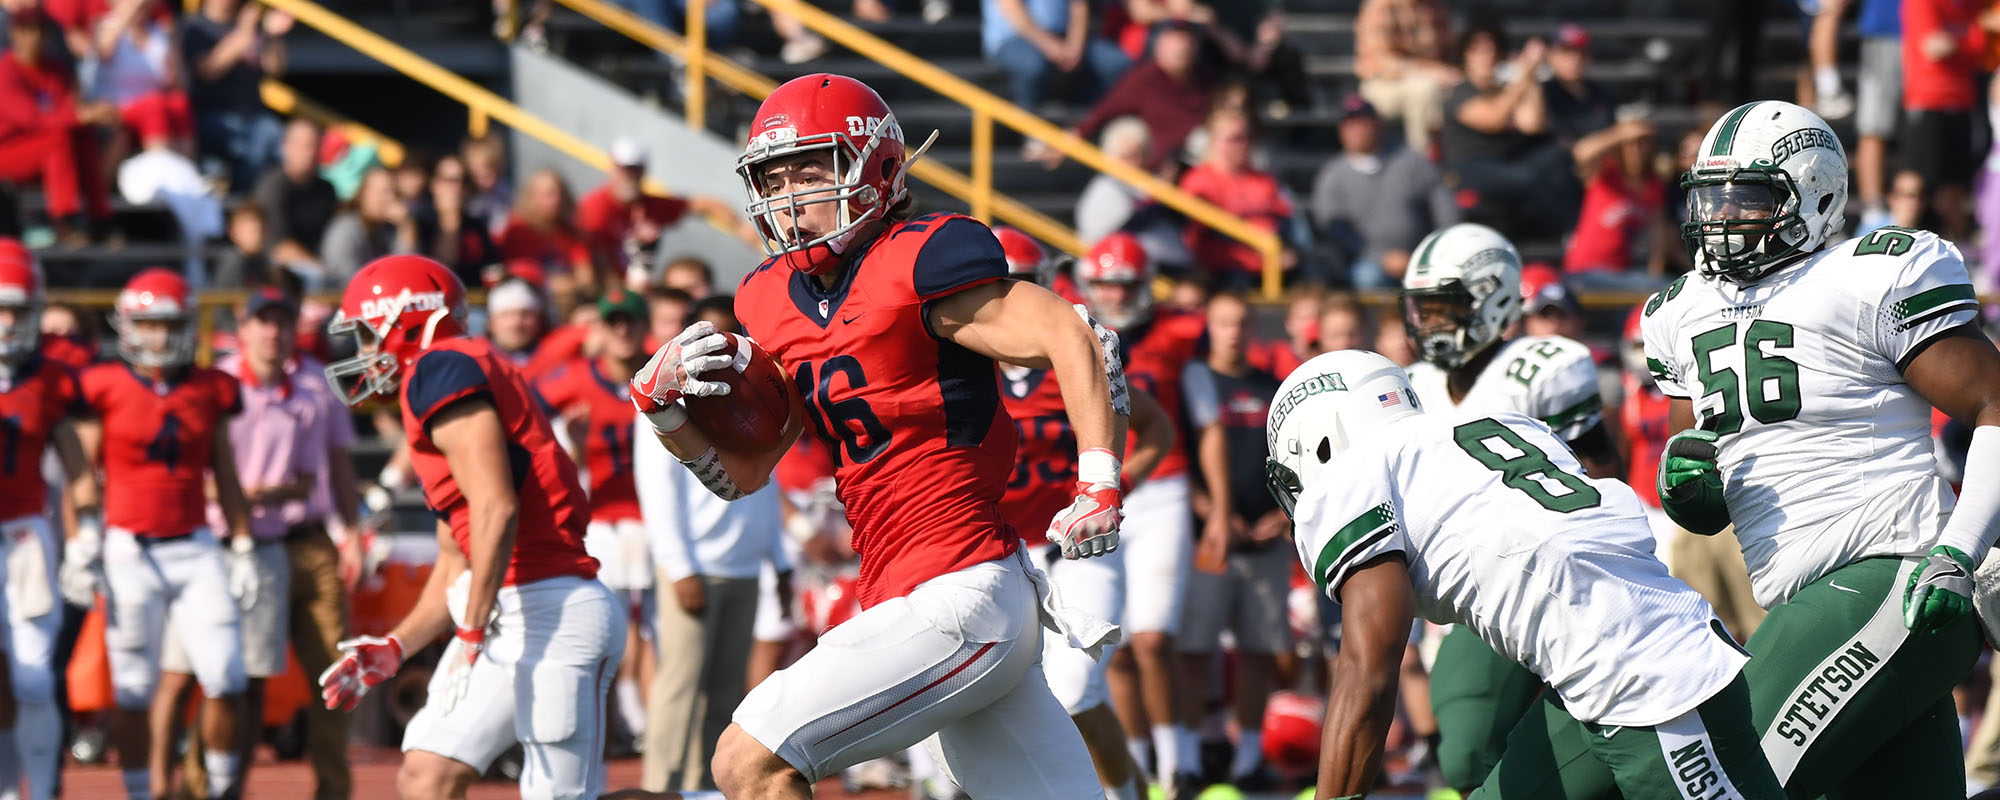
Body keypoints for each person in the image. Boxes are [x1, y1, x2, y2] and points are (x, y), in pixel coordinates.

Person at [632, 73, 1128, 800]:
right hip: (926, 592)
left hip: (959, 588)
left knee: (746, 761)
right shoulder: (767, 299)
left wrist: (1098, 481)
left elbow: (1068, 331)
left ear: (879, 170)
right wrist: (666, 416)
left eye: (811, 171)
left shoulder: (921, 255)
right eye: (776, 178)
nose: (792, 196)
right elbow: (740, 474)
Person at [1645, 99, 2000, 797]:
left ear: (1815, 193)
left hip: (1894, 575)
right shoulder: (1677, 313)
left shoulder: (1868, 274)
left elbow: (1996, 405)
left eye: (1746, 199)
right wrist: (1684, 489)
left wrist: (1959, 550)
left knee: (1725, 780)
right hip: (1798, 595)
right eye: (1710, 199)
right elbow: (1705, 506)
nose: (1720, 219)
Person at [1266, 350, 1786, 799]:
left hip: (1650, 688)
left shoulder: (1350, 478)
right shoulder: (1508, 423)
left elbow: (1367, 668)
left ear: (1318, 442)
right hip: (1617, 663)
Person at [315, 254, 621, 800]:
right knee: (425, 777)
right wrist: (396, 645)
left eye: (367, 335)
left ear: (403, 320)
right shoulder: (441, 375)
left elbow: (496, 507)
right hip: (511, 610)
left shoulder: (441, 367)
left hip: (553, 612)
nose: (363, 354)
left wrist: (471, 629)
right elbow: (457, 559)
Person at [1398, 222, 1616, 794]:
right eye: (1423, 310)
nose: (1430, 323)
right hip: (1462, 589)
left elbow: (1602, 470)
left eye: (1444, 308)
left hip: (1548, 571)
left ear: (1493, 298)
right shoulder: (1411, 383)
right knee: (1468, 753)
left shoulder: (1543, 365)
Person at [161, 285, 361, 800]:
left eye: (283, 322)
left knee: (337, 678)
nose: (273, 333)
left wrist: (352, 533)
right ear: (243, 327)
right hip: (234, 544)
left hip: (307, 540)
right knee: (230, 679)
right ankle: (199, 789)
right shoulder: (218, 383)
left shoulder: (317, 385)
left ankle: (332, 792)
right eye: (263, 322)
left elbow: (338, 464)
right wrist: (235, 495)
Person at [62, 268, 254, 800]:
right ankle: (141, 794)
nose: (160, 337)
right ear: (127, 325)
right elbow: (81, 473)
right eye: (147, 324)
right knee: (133, 691)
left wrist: (241, 543)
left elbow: (226, 472)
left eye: (169, 325)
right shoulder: (103, 386)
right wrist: (80, 542)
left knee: (227, 678)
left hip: (195, 545)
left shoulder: (212, 388)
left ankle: (218, 790)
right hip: (128, 548)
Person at [995, 230, 1173, 800]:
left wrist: (1114, 487)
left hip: (1075, 548)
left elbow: (1157, 429)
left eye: (1026, 282)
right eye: (1002, 284)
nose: (1014, 297)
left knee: (1071, 690)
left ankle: (1121, 791)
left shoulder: (1073, 357)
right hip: (993, 553)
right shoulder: (958, 366)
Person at [629, 295, 786, 794]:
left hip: (742, 568)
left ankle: (702, 789)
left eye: (724, 336)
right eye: (703, 336)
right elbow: (658, 495)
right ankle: (661, 786)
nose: (714, 348)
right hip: (695, 567)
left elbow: (767, 487)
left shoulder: (754, 397)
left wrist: (777, 560)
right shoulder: (663, 400)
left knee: (723, 697)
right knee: (679, 689)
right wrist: (678, 567)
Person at [1073, 231, 1205, 797]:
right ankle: (1138, 762)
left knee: (1152, 639)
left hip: (1159, 487)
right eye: (1105, 282)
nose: (1116, 294)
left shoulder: (1176, 338)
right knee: (1115, 646)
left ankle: (1181, 759)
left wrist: (1214, 504)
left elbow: (1203, 425)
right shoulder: (1072, 338)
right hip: (1093, 493)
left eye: (1125, 283)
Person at [532, 290, 658, 775]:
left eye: (630, 321)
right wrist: (572, 450)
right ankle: (606, 732)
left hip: (653, 523)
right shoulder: (574, 378)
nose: (622, 331)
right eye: (614, 322)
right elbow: (525, 413)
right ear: (600, 329)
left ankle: (650, 732)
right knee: (600, 631)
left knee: (653, 633)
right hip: (599, 521)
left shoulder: (662, 372)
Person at [1177, 291, 1287, 792]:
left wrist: (1286, 516)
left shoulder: (1275, 388)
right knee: (1195, 650)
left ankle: (1247, 759)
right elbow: (1179, 458)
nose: (1234, 332)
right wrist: (1210, 510)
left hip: (1267, 540)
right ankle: (1192, 755)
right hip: (1210, 540)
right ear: (1209, 326)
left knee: (1260, 651)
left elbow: (1300, 460)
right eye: (1224, 323)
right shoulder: (1194, 382)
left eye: (1242, 322)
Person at [0, 252, 95, 800]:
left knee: (34, 681)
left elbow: (77, 467)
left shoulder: (53, 379)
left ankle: (38, 792)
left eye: (18, 311)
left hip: (25, 538)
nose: (9, 324)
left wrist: (88, 536)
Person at [1439, 21, 1578, 239]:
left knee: (1559, 158)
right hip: (1473, 169)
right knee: (1529, 179)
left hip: (1511, 164)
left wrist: (1529, 74)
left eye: (1493, 50)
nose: (1488, 57)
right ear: (1465, 55)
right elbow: (1494, 117)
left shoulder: (1508, 89)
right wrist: (1522, 78)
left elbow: (1532, 124)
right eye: (1479, 51)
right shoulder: (1460, 92)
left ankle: (1569, 235)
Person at [1310, 93, 1458, 290]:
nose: (1357, 130)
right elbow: (1333, 229)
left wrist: (1429, 254)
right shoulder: (1333, 176)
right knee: (1368, 276)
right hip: (1364, 261)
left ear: (1377, 125)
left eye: (1363, 122)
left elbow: (1445, 210)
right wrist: (1380, 257)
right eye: (1350, 124)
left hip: (1420, 258)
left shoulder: (1412, 162)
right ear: (1341, 130)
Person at [0, 9, 116, 244]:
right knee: (60, 139)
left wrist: (90, 115)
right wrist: (81, 115)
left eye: (41, 30)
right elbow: (31, 119)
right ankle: (67, 221)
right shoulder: (5, 71)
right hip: (9, 151)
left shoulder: (56, 69)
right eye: (28, 30)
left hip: (48, 148)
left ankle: (100, 217)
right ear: (15, 33)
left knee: (81, 137)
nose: (35, 37)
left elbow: (67, 109)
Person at [578, 139, 739, 289]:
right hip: (608, 291)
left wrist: (741, 227)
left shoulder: (649, 205)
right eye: (625, 170)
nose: (629, 176)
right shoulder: (595, 207)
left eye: (635, 169)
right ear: (613, 168)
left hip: (637, 289)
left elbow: (704, 205)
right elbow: (588, 261)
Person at [1060, 21, 1215, 172]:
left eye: (1187, 40)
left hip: (1208, 165)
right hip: (1165, 173)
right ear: (1158, 44)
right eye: (1174, 39)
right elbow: (1104, 111)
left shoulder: (1206, 78)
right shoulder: (1144, 79)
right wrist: (1074, 136)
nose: (1182, 46)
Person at [1177, 107, 1297, 290]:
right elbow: (1200, 235)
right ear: (1214, 141)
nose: (1242, 145)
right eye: (1234, 139)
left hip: (1272, 266)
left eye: (1245, 138)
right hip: (1229, 270)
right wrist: (1260, 250)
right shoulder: (1198, 181)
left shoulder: (1264, 180)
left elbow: (1286, 220)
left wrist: (1285, 249)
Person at [180, 0, 288, 190]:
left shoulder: (250, 24)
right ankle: (244, 206)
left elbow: (275, 69)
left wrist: (273, 36)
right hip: (212, 115)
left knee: (281, 141)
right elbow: (208, 70)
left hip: (254, 115)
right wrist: (244, 34)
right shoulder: (194, 26)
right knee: (253, 145)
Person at [982, 0, 1129, 111]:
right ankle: (1032, 134)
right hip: (1014, 39)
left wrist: (1075, 45)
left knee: (1117, 65)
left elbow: (1078, 5)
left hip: (1064, 38)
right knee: (1033, 67)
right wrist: (1050, 46)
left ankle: (1086, 127)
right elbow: (1013, 10)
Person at [1352, 0, 1456, 154]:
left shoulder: (1436, 5)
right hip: (1382, 84)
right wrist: (1429, 71)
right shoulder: (1381, 6)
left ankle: (1462, 158)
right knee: (1423, 90)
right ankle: (1422, 160)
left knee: (1461, 88)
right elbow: (1381, 63)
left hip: (1434, 78)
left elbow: (1451, 50)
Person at [253, 118, 339, 271]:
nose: (311, 153)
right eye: (305, 146)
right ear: (286, 147)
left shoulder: (326, 189)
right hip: (279, 270)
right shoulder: (273, 188)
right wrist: (318, 267)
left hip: (322, 262)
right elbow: (278, 247)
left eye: (315, 146)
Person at [499, 168, 593, 294]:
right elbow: (521, 279)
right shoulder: (517, 231)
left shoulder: (571, 233)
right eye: (548, 195)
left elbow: (586, 280)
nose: (556, 200)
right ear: (531, 198)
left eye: (560, 193)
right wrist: (559, 284)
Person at [412, 154, 499, 289]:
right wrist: (451, 222)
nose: (457, 187)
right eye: (451, 180)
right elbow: (438, 272)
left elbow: (490, 269)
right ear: (435, 184)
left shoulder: (477, 226)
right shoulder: (419, 223)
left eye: (463, 181)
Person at [319, 167, 416, 283]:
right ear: (364, 194)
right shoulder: (346, 228)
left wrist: (406, 226)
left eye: (394, 192)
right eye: (384, 192)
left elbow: (407, 270)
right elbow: (342, 276)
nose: (391, 198)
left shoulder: (389, 229)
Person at [1075, 116, 1152, 245]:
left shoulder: (1145, 186)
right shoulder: (1106, 190)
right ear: (1111, 158)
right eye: (1128, 157)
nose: (1137, 162)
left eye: (1142, 154)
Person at [1539, 23, 1617, 149]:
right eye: (1566, 51)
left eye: (1581, 52)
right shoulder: (1542, 95)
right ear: (1551, 55)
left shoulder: (1602, 94)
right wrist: (1619, 135)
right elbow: (1571, 151)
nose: (1575, 59)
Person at [481, 277, 548, 367]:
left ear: (539, 321)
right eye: (506, 314)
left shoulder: (559, 356)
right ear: (491, 322)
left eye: (526, 314)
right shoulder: (473, 361)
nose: (516, 323)